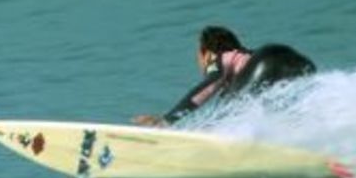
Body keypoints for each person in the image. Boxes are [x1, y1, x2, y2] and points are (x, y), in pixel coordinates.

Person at [132, 26, 316, 126]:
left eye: (198, 55)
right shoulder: (241, 63)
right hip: (296, 61)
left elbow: (210, 84)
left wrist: (167, 119)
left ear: (206, 52)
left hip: (266, 61)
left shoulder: (217, 56)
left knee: (230, 111)